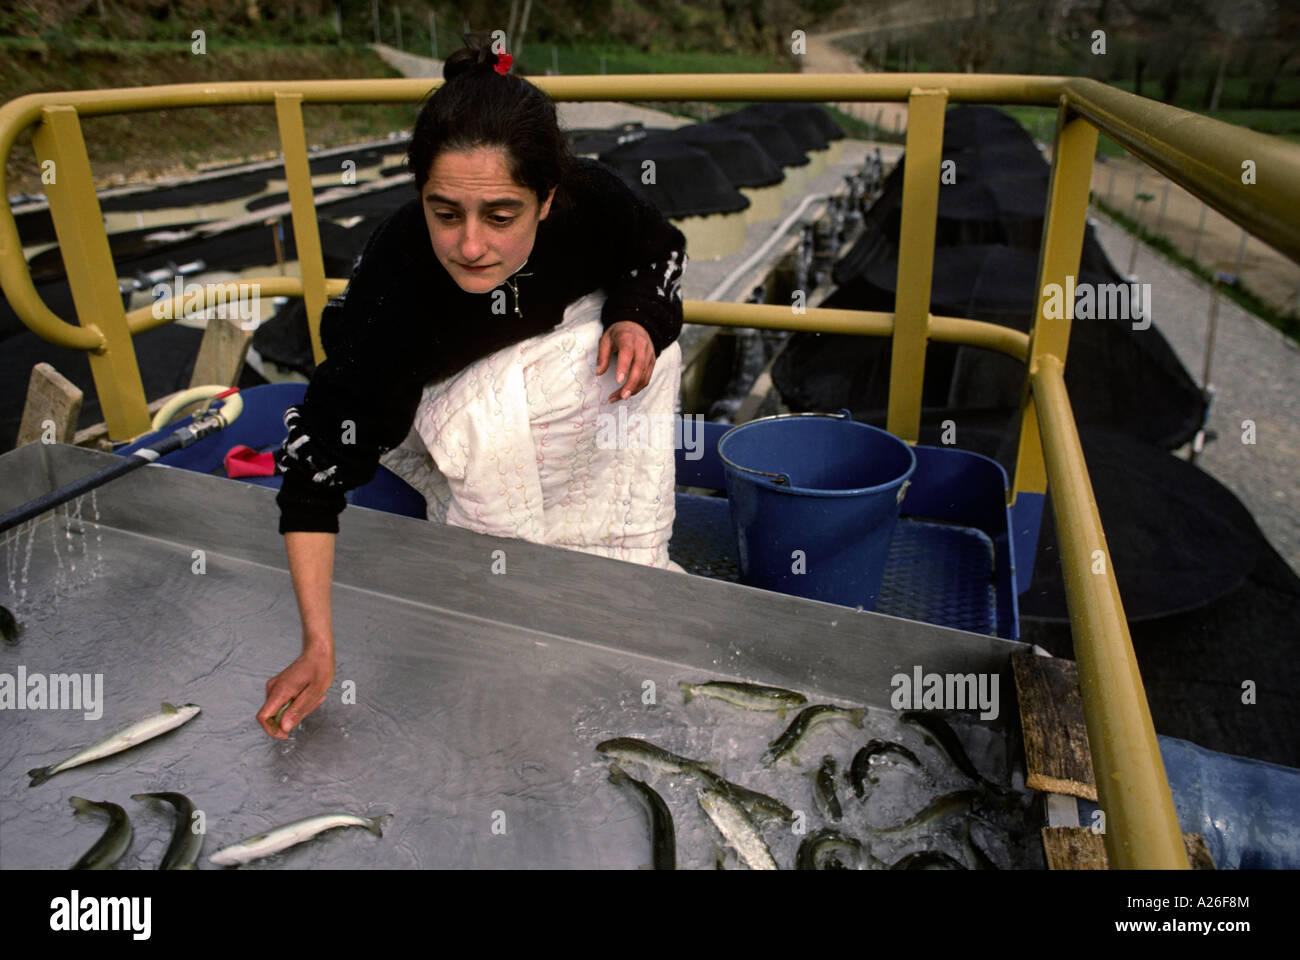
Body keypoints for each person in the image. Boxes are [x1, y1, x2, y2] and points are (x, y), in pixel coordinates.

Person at [258, 35, 688, 739]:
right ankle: (509, 577)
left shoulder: (594, 204)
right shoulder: (397, 294)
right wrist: (317, 645)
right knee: (488, 428)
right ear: (419, 195)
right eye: (444, 212)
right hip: (435, 378)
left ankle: (617, 553)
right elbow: (314, 475)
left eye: (501, 215)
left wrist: (637, 318)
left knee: (655, 356)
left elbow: (659, 250)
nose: (470, 246)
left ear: (548, 200)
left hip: (542, 333)